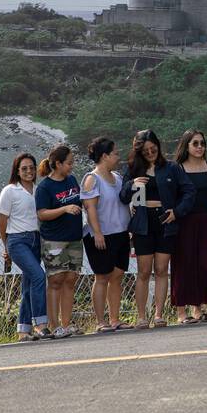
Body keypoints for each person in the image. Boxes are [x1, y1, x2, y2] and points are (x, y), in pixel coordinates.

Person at [120, 129, 195, 328]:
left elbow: (189, 191)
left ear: (158, 147)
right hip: (142, 223)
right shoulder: (132, 169)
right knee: (144, 271)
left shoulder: (171, 168)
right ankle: (142, 316)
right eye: (146, 151)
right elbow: (123, 196)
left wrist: (177, 212)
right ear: (139, 152)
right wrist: (131, 184)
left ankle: (159, 315)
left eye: (153, 149)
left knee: (162, 269)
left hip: (165, 222)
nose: (151, 153)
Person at [81, 136, 133, 332]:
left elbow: (124, 203)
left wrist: (129, 228)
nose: (118, 157)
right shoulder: (91, 179)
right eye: (115, 153)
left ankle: (115, 318)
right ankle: (100, 320)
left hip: (120, 233)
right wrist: (97, 233)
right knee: (102, 276)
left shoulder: (118, 178)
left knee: (118, 275)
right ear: (104, 156)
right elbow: (90, 208)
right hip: (101, 235)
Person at [0, 152, 51, 341]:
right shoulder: (10, 190)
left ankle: (23, 330)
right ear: (17, 171)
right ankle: (41, 324)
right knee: (38, 276)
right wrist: (6, 247)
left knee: (29, 284)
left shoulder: (39, 189)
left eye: (31, 167)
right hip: (17, 240)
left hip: (36, 239)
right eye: (24, 168)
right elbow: (2, 221)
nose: (29, 171)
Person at [35, 144, 84, 338]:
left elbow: (81, 201)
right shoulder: (45, 187)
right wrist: (64, 209)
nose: (72, 166)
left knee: (71, 279)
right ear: (57, 163)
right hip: (54, 240)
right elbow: (42, 214)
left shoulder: (72, 180)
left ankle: (67, 322)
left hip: (74, 238)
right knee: (55, 280)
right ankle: (54, 325)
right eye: (69, 163)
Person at [171, 129, 207, 323]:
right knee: (184, 264)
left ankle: (200, 308)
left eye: (202, 143)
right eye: (195, 143)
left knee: (205, 264)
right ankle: (182, 312)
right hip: (183, 222)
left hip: (205, 220)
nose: (200, 147)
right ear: (186, 146)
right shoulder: (178, 168)